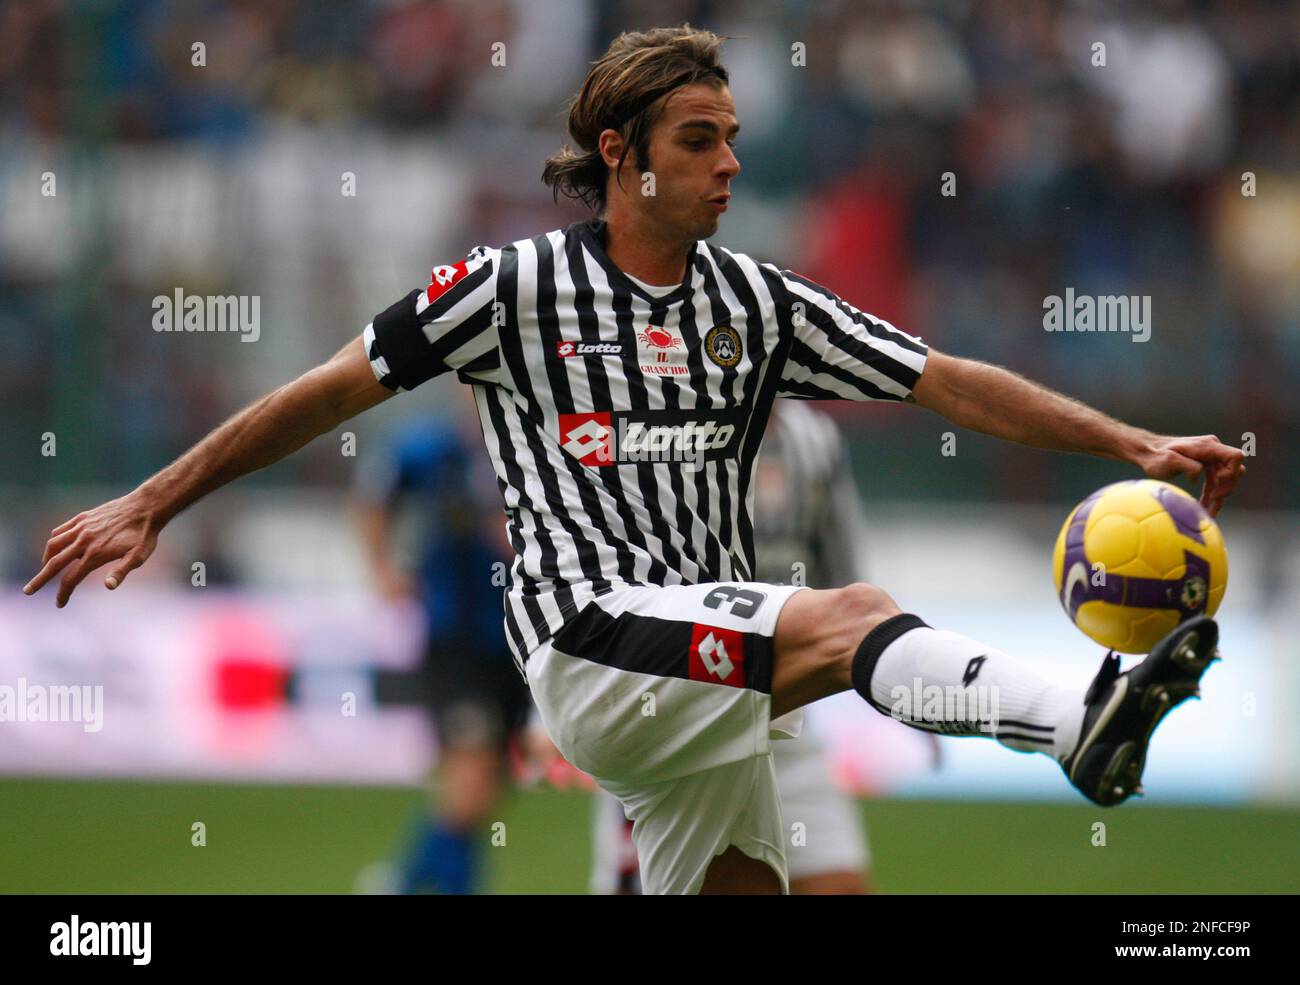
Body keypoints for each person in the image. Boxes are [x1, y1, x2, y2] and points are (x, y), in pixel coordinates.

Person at [25, 25, 1246, 896]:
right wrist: (151, 497)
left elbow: (943, 379)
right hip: (588, 635)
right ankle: (1071, 724)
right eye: (700, 140)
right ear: (622, 154)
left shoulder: (755, 300)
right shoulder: (510, 287)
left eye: (730, 139)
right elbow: (325, 391)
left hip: (700, 683)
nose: (727, 165)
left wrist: (1127, 440)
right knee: (855, 614)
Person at [587, 398, 899, 894]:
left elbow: (842, 569)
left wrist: (889, 665)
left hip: (784, 704)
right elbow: (609, 579)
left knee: (838, 882)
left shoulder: (814, 441)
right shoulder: (660, 432)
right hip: (681, 711)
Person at [353, 401, 528, 894]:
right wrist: (382, 569)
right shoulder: (433, 449)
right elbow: (372, 494)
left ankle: (403, 881)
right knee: (470, 773)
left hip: (518, 643)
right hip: (457, 640)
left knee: (485, 788)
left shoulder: (535, 445)